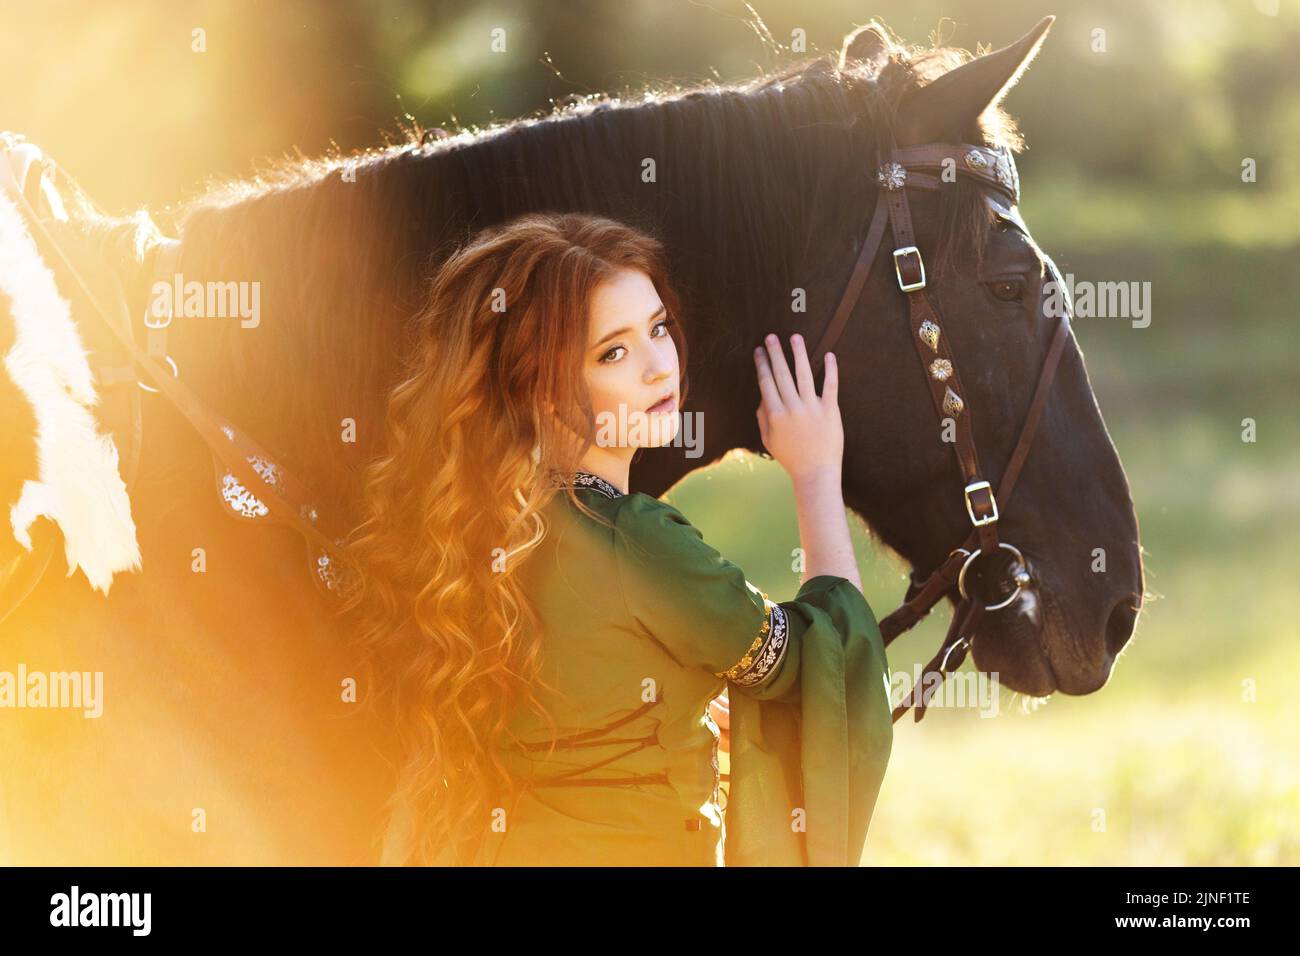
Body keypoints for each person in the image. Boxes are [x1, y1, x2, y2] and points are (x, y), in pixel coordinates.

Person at [345, 211, 892, 866]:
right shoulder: (636, 539)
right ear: (538, 388)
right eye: (613, 351)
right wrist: (816, 470)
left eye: (658, 328)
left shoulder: (475, 535)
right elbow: (827, 670)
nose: (660, 367)